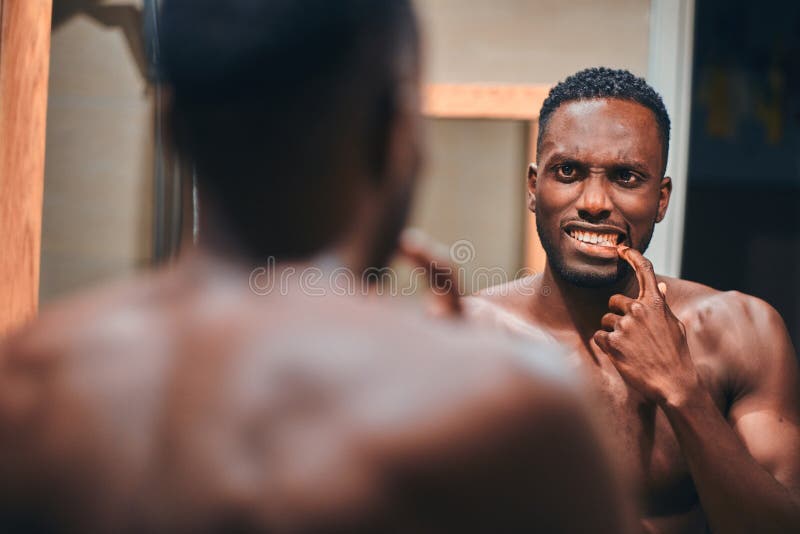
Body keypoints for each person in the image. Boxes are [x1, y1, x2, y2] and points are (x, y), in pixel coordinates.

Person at [0, 4, 632, 533]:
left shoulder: (27, 386)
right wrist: (452, 362)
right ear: (397, 135)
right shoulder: (508, 408)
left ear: (171, 130)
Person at [468, 67, 800, 533]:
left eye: (626, 177)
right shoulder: (468, 335)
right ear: (533, 186)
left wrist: (683, 391)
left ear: (661, 199)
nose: (596, 202)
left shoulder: (743, 332)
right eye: (568, 171)